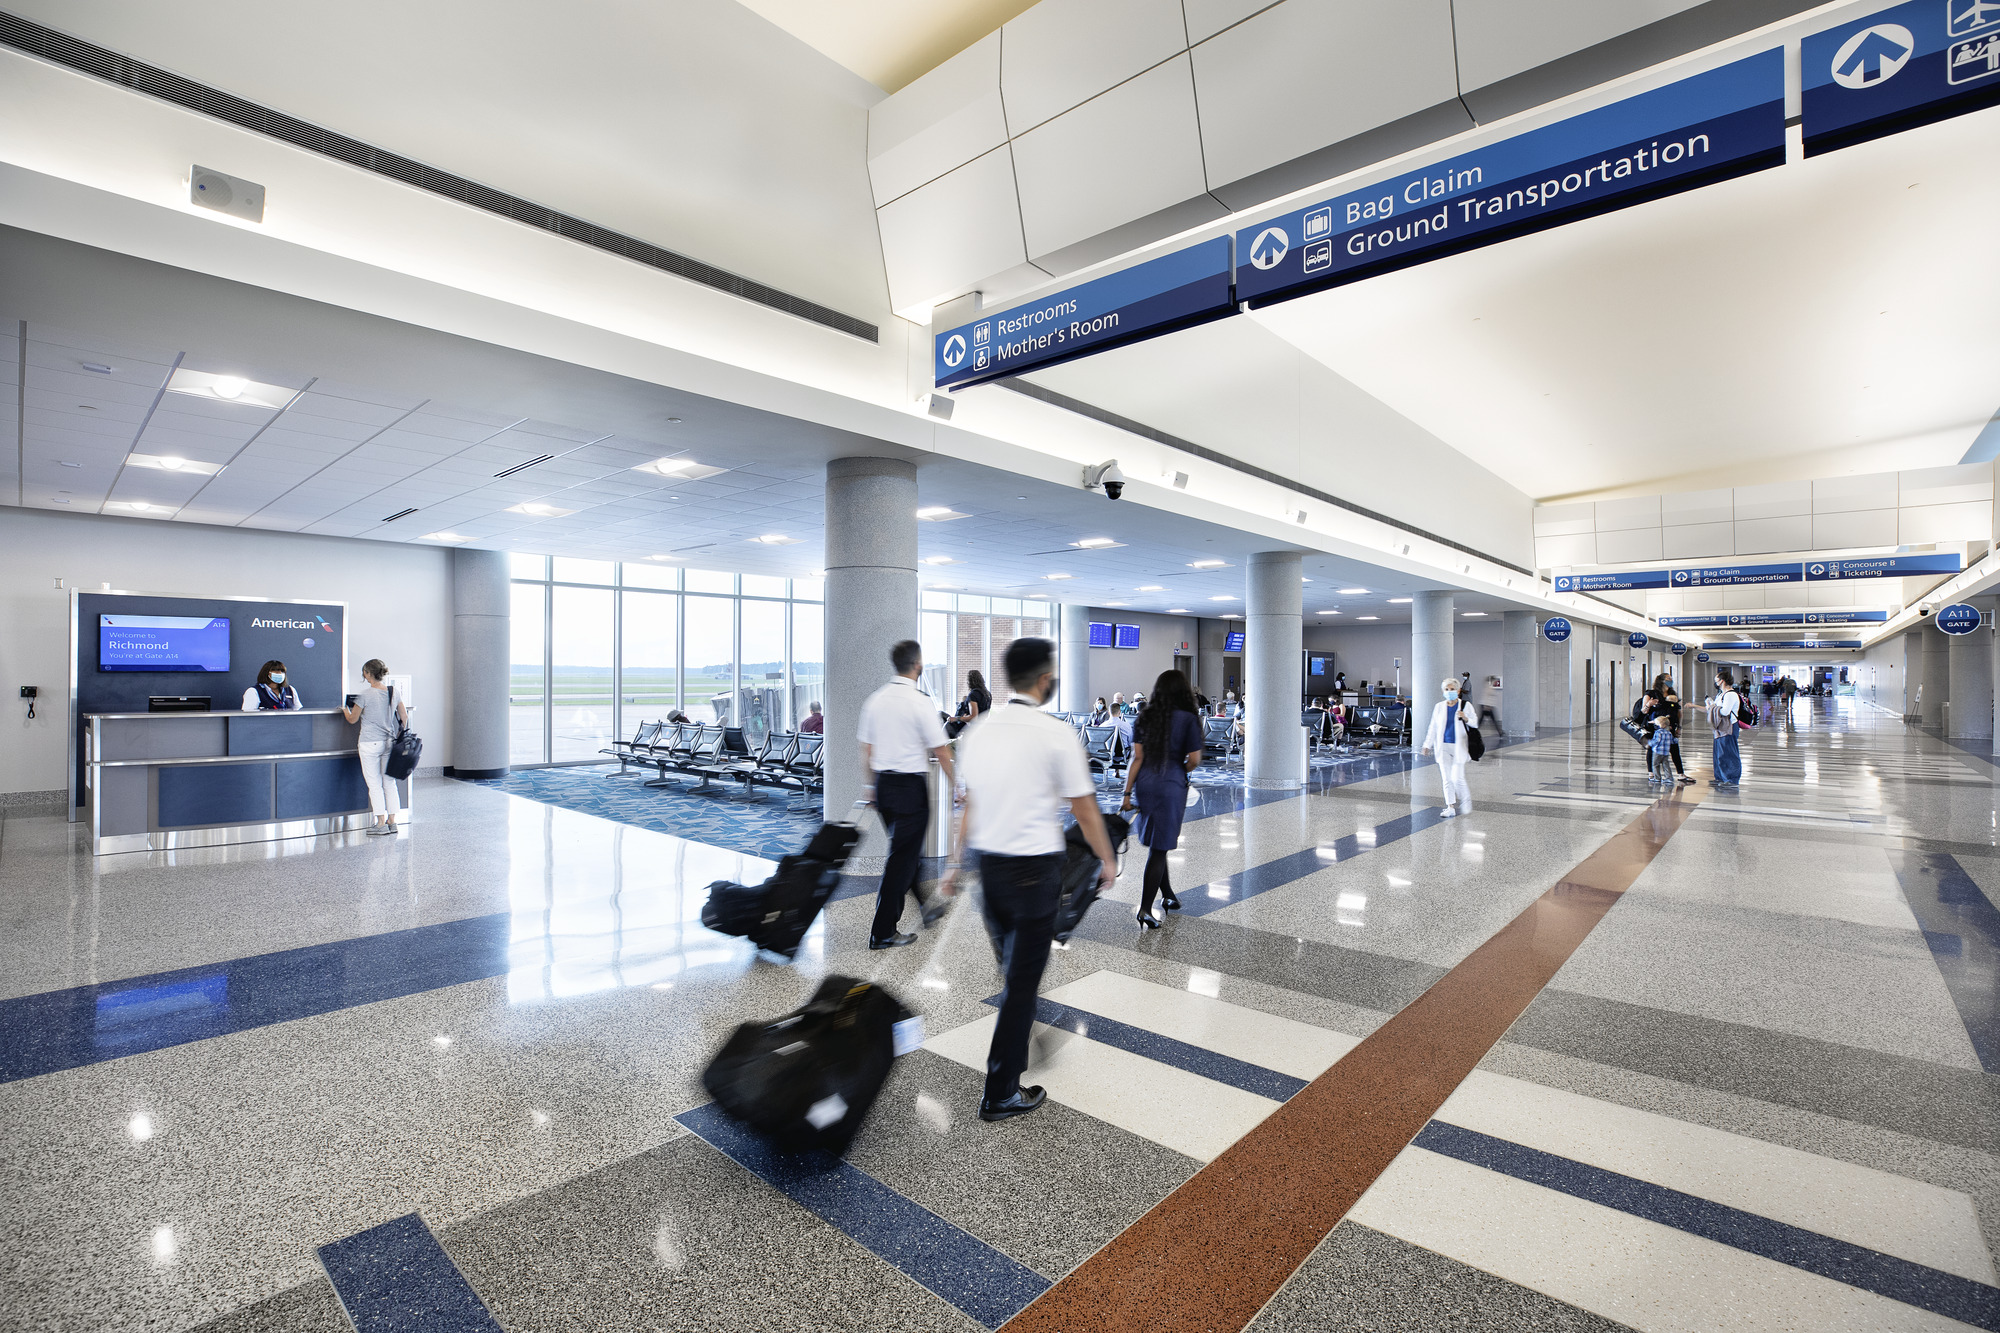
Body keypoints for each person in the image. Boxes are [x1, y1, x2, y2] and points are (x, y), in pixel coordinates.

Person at [943, 637, 1115, 1123]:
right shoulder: (1055, 734)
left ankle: (1022, 1034)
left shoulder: (979, 732)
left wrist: (956, 864)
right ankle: (1001, 1090)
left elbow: (970, 804)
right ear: (1044, 679)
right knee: (1021, 983)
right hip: (1034, 873)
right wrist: (1106, 859)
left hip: (989, 870)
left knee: (1016, 971)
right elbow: (1083, 807)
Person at [857, 640, 955, 949]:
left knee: (905, 853)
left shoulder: (876, 700)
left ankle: (927, 909)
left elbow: (866, 750)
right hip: (910, 790)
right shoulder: (919, 701)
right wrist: (959, 785)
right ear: (918, 665)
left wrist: (871, 785)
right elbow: (940, 748)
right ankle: (882, 931)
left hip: (884, 787)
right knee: (901, 858)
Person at [1120, 671, 1204, 927]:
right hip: (1170, 785)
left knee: (1159, 840)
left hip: (1145, 783)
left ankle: (1167, 895)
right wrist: (1179, 770)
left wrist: (1126, 793)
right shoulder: (1189, 719)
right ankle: (1145, 909)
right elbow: (1195, 760)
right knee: (1160, 847)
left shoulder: (1145, 717)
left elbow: (1137, 758)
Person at [342, 658, 408, 836]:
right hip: (389, 742)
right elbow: (404, 716)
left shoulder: (364, 695)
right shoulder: (394, 692)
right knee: (389, 782)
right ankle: (392, 821)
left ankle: (380, 822)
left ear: (368, 674)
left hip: (369, 743)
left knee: (374, 783)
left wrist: (344, 710)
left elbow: (352, 719)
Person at [1420, 675, 1475, 817]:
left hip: (1459, 747)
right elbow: (1433, 727)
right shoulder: (1439, 707)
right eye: (1446, 689)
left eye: (1452, 689)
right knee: (1447, 778)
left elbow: (1474, 723)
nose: (1449, 691)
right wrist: (1427, 744)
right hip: (1442, 746)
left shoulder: (1465, 705)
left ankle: (1466, 800)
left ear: (1458, 691)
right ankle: (1450, 807)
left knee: (1457, 778)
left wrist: (1466, 717)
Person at [1707, 668, 1744, 789]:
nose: (1715, 683)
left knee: (1729, 753)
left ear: (1722, 681)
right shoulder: (1720, 694)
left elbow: (1725, 711)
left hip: (1729, 727)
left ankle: (1732, 779)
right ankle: (1720, 777)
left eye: (1716, 680)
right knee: (1719, 753)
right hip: (1720, 727)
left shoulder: (1731, 694)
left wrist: (1713, 707)